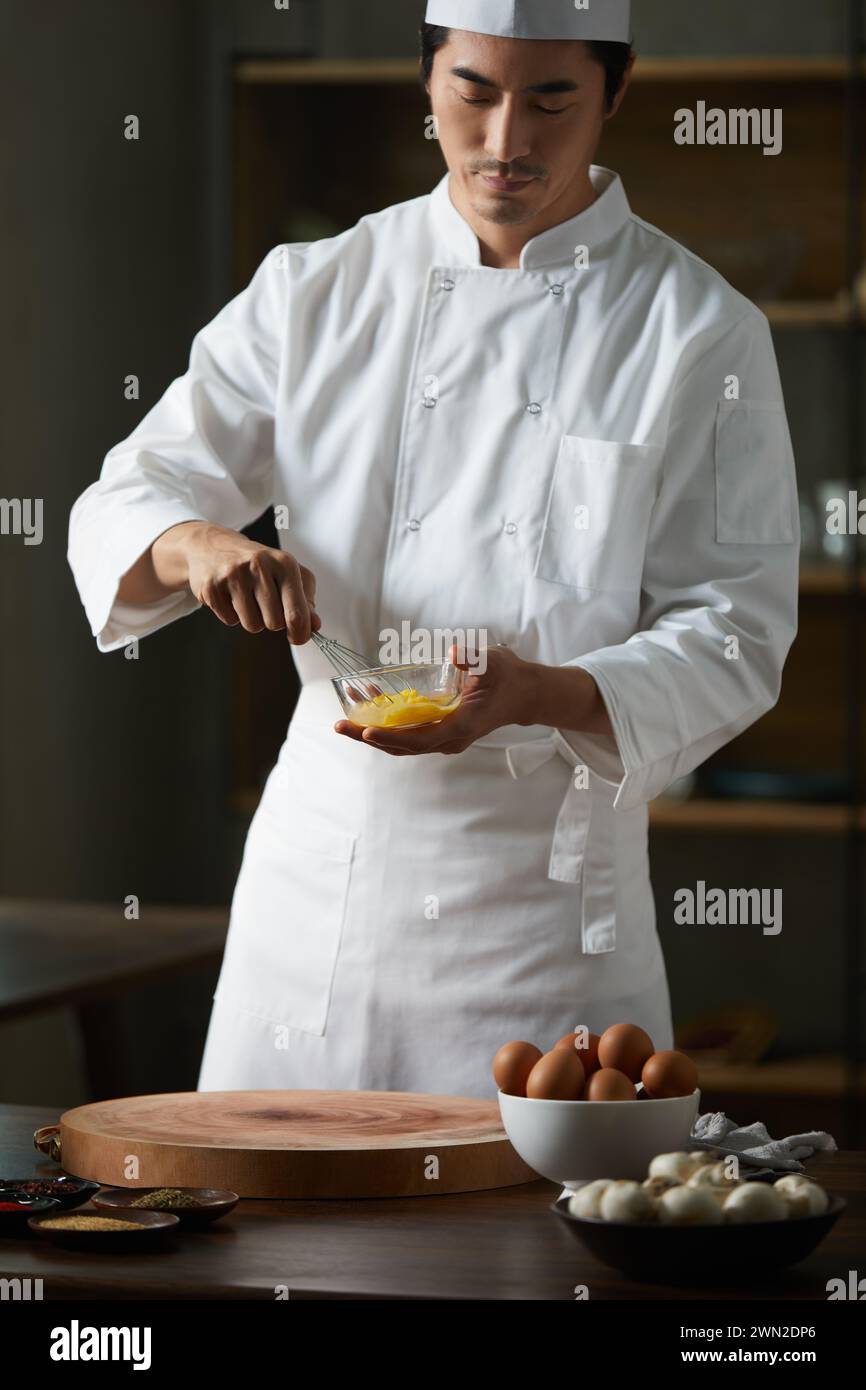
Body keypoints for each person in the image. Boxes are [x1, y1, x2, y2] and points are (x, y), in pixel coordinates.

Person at [68, 0, 799, 1099]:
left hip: (547, 906)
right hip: (324, 880)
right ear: (425, 83)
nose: (506, 139)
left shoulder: (700, 328)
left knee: (534, 1251)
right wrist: (199, 543)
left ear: (616, 88)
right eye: (473, 91)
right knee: (276, 1234)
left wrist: (537, 691)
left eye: (550, 97)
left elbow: (735, 631)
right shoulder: (315, 290)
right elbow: (133, 487)